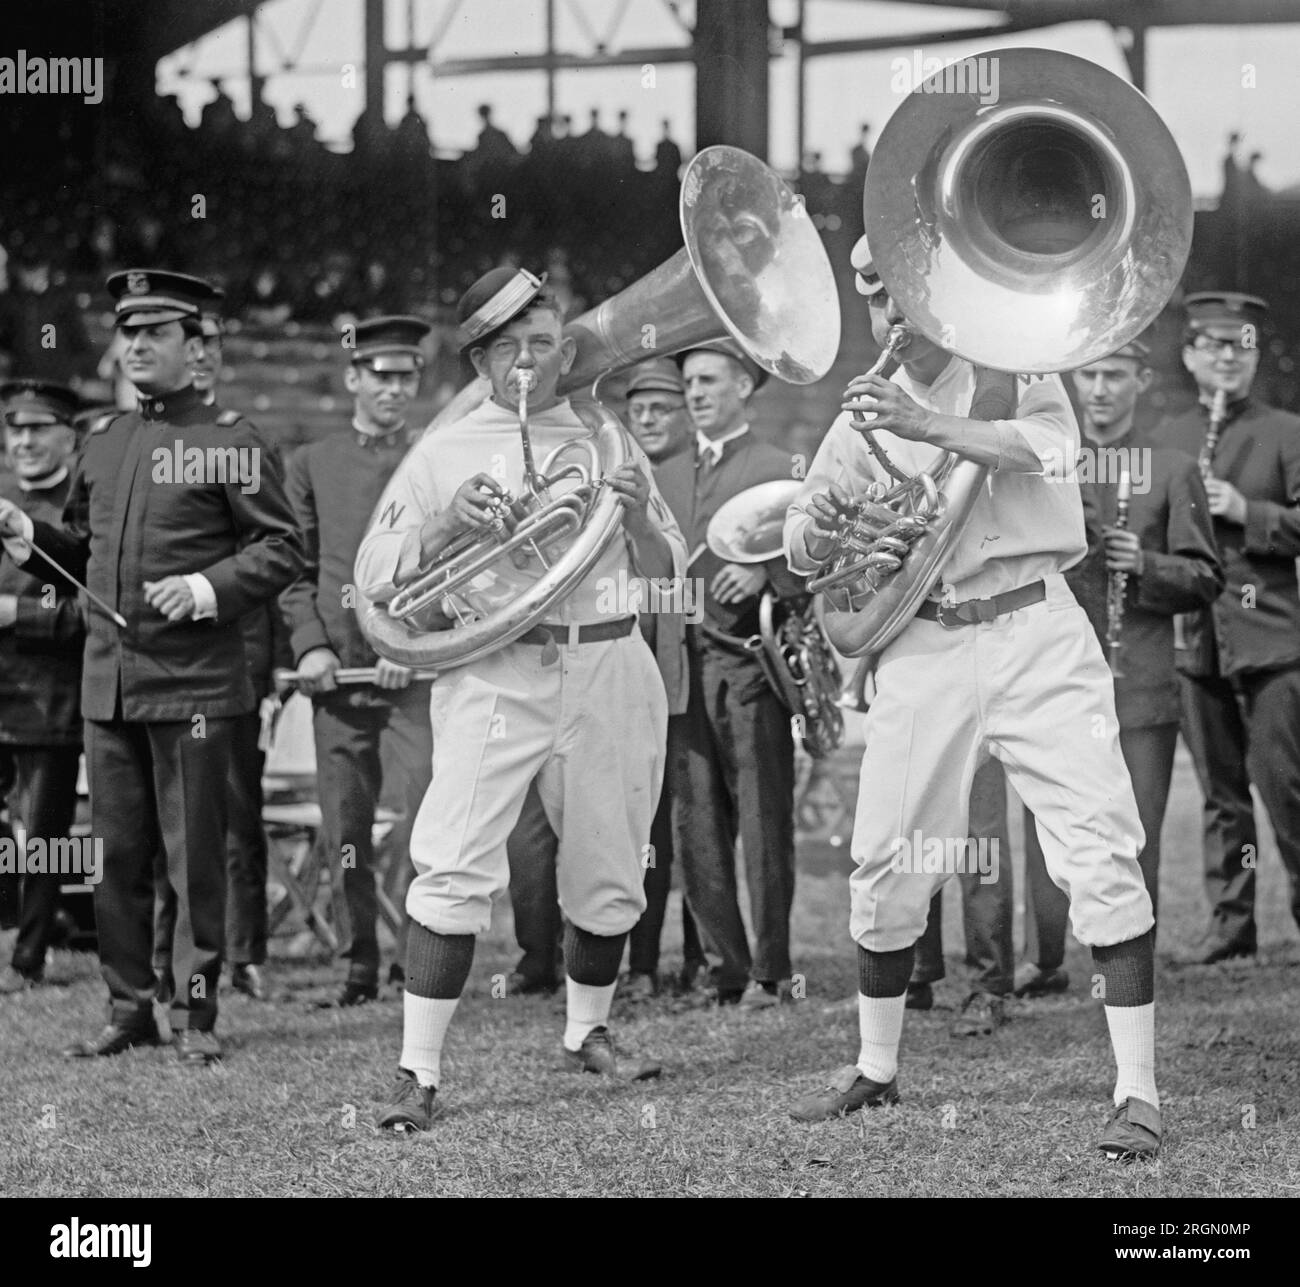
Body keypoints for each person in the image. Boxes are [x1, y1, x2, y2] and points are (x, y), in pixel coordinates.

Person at [782, 236, 1161, 1161]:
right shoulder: (858, 416)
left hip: (1035, 625)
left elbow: (1052, 449)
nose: (892, 322)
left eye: (907, 302)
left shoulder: (1015, 366)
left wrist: (926, 426)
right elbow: (796, 537)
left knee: (1100, 847)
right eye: (877, 305)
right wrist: (818, 530)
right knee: (883, 858)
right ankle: (876, 1065)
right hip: (925, 644)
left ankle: (1138, 1090)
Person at [355, 268, 686, 1130]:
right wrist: (447, 526)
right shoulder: (442, 451)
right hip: (496, 669)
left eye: (545, 344)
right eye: (509, 350)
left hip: (610, 663)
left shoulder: (610, 438)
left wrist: (639, 516)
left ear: (567, 348)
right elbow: (377, 583)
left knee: (610, 866)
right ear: (481, 361)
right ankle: (416, 1071)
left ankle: (588, 1030)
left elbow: (670, 574)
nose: (530, 363)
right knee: (454, 862)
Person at [0, 270, 304, 1065]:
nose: (135, 344)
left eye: (156, 332)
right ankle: (130, 1007)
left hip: (196, 687)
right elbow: (81, 558)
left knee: (192, 860)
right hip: (109, 686)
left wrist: (206, 587)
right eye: (127, 331)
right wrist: (26, 536)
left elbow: (281, 548)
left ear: (195, 348)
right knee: (117, 857)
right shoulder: (103, 442)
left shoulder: (231, 443)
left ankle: (195, 1017)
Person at [1016, 339, 1222, 993]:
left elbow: (1207, 576)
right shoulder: (1042, 462)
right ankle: (1043, 959)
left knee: (1136, 831)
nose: (1100, 388)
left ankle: (1132, 964)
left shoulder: (1174, 465)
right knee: (1044, 827)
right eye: (1090, 375)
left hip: (1141, 681)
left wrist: (1148, 565)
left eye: (1115, 375)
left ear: (1140, 379)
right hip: (1052, 676)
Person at [281, 316, 436, 1007]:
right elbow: (292, 569)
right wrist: (310, 644)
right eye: (381, 376)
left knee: (426, 814)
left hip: (412, 678)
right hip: (336, 677)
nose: (394, 389)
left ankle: (416, 957)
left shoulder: (433, 456)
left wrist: (412, 636)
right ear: (352, 378)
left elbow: (453, 564)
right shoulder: (311, 461)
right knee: (344, 825)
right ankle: (357, 965)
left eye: (406, 377)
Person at [1152, 292, 1300, 963]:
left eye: (1240, 344)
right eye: (1213, 345)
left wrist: (1246, 509)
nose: (1228, 356)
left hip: (1273, 640)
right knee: (1220, 796)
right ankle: (1231, 926)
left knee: (1287, 787)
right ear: (1189, 356)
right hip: (1197, 641)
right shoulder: (1169, 439)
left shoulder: (1286, 431)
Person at [153, 301, 291, 1003]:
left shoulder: (241, 443)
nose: (201, 355)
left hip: (234, 661)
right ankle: (165, 963)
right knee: (167, 823)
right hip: (162, 664)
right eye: (192, 343)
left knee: (239, 816)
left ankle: (245, 952)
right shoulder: (148, 441)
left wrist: (270, 668)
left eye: (211, 344)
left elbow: (275, 563)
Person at [668, 340, 804, 1008]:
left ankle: (771, 972)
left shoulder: (778, 466)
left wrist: (766, 572)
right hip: (682, 668)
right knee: (695, 823)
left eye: (710, 380)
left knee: (762, 821)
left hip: (747, 665)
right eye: (688, 382)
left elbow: (820, 562)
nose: (695, 392)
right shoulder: (673, 467)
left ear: (745, 385)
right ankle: (724, 967)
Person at [0, 380, 86, 994]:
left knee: (46, 836)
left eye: (39, 428)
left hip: (52, 693)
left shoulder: (76, 511)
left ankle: (29, 957)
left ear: (69, 435)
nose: (25, 441)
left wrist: (15, 615)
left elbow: (93, 613)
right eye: (15, 429)